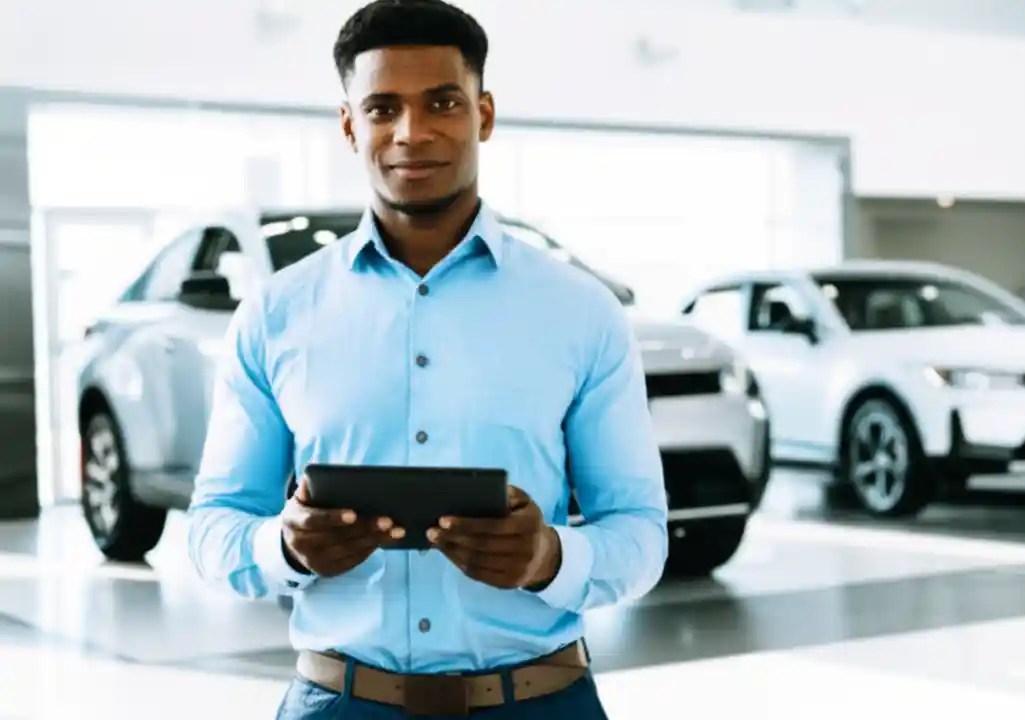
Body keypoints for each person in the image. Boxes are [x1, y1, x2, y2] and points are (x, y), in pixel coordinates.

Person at [187, 1, 668, 717]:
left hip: (540, 700)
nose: (413, 133)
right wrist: (282, 547)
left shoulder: (580, 310)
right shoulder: (276, 314)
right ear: (350, 126)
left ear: (484, 113)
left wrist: (549, 560)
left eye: (442, 102)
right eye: (382, 108)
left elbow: (639, 531)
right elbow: (213, 526)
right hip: (338, 701)